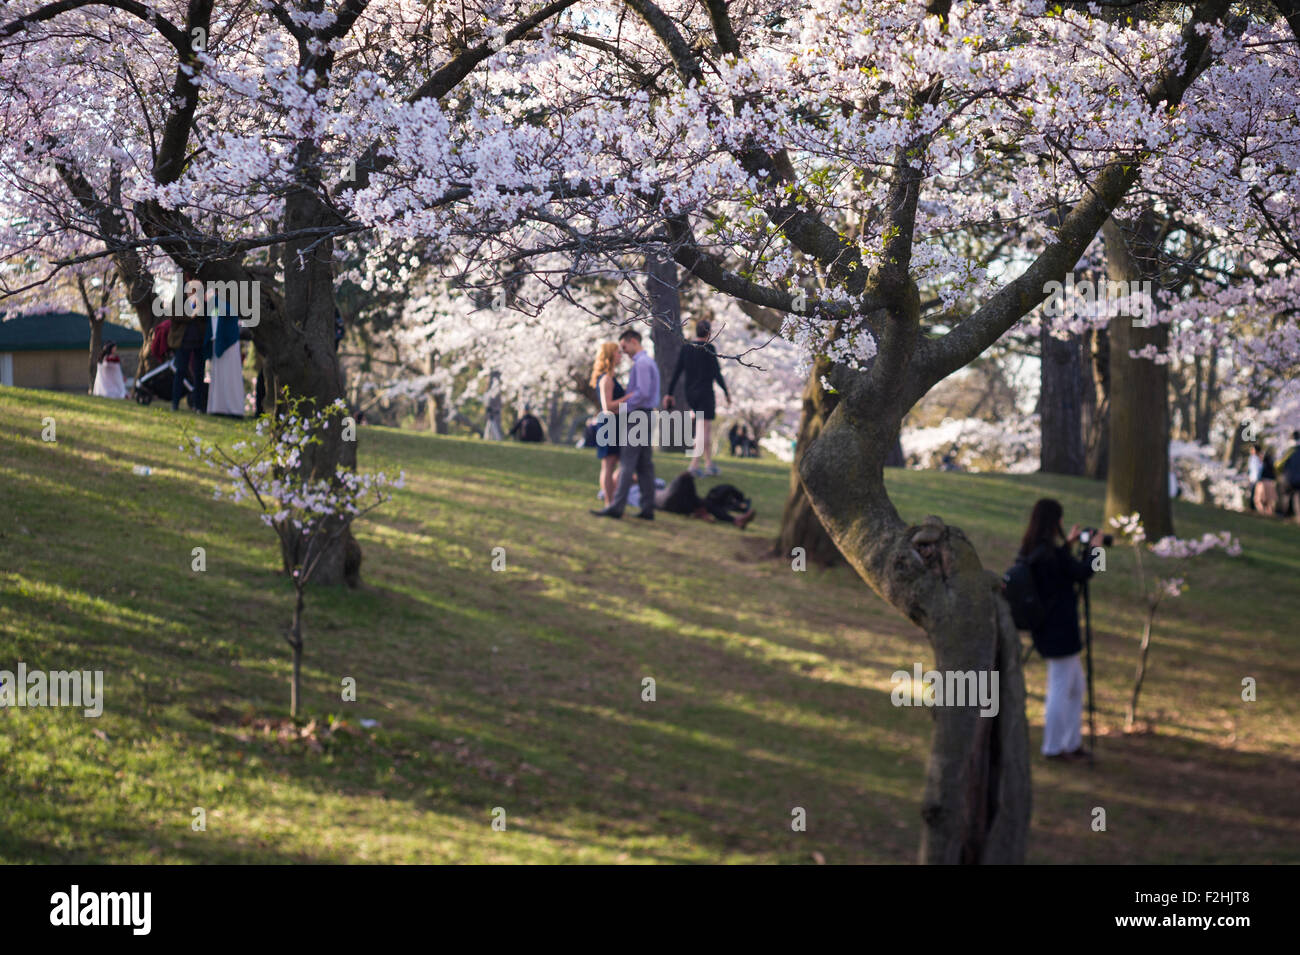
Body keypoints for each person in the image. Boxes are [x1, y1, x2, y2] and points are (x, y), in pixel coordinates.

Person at [1020, 498, 1094, 761]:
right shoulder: (1049, 553)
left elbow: (1061, 570)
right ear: (1055, 521)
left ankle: (1071, 742)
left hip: (1048, 630)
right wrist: (1096, 550)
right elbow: (1085, 572)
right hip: (1060, 632)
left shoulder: (1033, 548)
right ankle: (1053, 747)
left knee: (1075, 688)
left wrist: (1069, 546)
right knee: (1061, 689)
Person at [592, 329, 659, 520]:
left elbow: (643, 393)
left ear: (633, 342)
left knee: (628, 462)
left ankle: (616, 506)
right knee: (645, 465)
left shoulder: (643, 364)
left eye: (624, 347)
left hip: (638, 416)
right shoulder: (645, 363)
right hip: (644, 415)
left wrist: (624, 407)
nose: (623, 351)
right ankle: (648, 508)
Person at [663, 319, 729, 476]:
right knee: (703, 429)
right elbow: (716, 374)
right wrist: (726, 392)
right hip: (705, 394)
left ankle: (709, 463)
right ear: (708, 333)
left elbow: (677, 371)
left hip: (690, 394)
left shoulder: (686, 348)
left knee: (704, 428)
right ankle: (694, 465)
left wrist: (669, 393)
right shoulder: (709, 348)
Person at [588, 342, 625, 507]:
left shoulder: (610, 377)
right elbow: (608, 406)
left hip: (615, 424)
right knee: (608, 465)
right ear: (610, 355)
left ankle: (611, 498)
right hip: (609, 424)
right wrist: (629, 396)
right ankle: (609, 502)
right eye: (618, 353)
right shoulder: (606, 379)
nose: (621, 356)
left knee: (614, 463)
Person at [655, 471, 756, 528]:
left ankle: (735, 520)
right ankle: (700, 510)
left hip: (674, 503)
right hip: (666, 500)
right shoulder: (642, 489)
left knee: (705, 503)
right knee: (685, 477)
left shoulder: (652, 483)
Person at [168, 272, 207, 412]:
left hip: (199, 340)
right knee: (180, 372)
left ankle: (198, 405)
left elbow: (206, 318)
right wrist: (190, 314)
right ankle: (175, 403)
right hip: (183, 340)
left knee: (199, 374)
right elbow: (173, 314)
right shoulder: (180, 296)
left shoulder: (203, 297)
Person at [204, 296, 245, 417]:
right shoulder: (214, 303)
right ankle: (218, 407)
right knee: (217, 376)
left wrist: (214, 299)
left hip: (229, 342)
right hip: (217, 341)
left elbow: (228, 312)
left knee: (231, 376)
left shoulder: (228, 299)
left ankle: (235, 410)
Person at [1278, 431, 1300, 517]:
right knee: (1297, 499)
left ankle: (1285, 515)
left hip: (1288, 479)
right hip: (1299, 480)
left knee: (1286, 497)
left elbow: (1279, 465)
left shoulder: (1289, 451)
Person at [1254, 449, 1278, 515]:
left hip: (1263, 482)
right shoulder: (1271, 464)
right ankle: (1268, 513)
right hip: (1270, 482)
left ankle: (1262, 513)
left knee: (1259, 499)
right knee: (1269, 500)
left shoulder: (1262, 464)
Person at [1246, 444, 1264, 510]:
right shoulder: (1252, 458)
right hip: (1252, 479)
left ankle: (1252, 508)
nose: (1251, 451)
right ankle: (1251, 507)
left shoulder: (1258, 458)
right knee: (1252, 493)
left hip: (1256, 479)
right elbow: (1250, 469)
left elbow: (1258, 469)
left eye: (1252, 449)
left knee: (1255, 494)